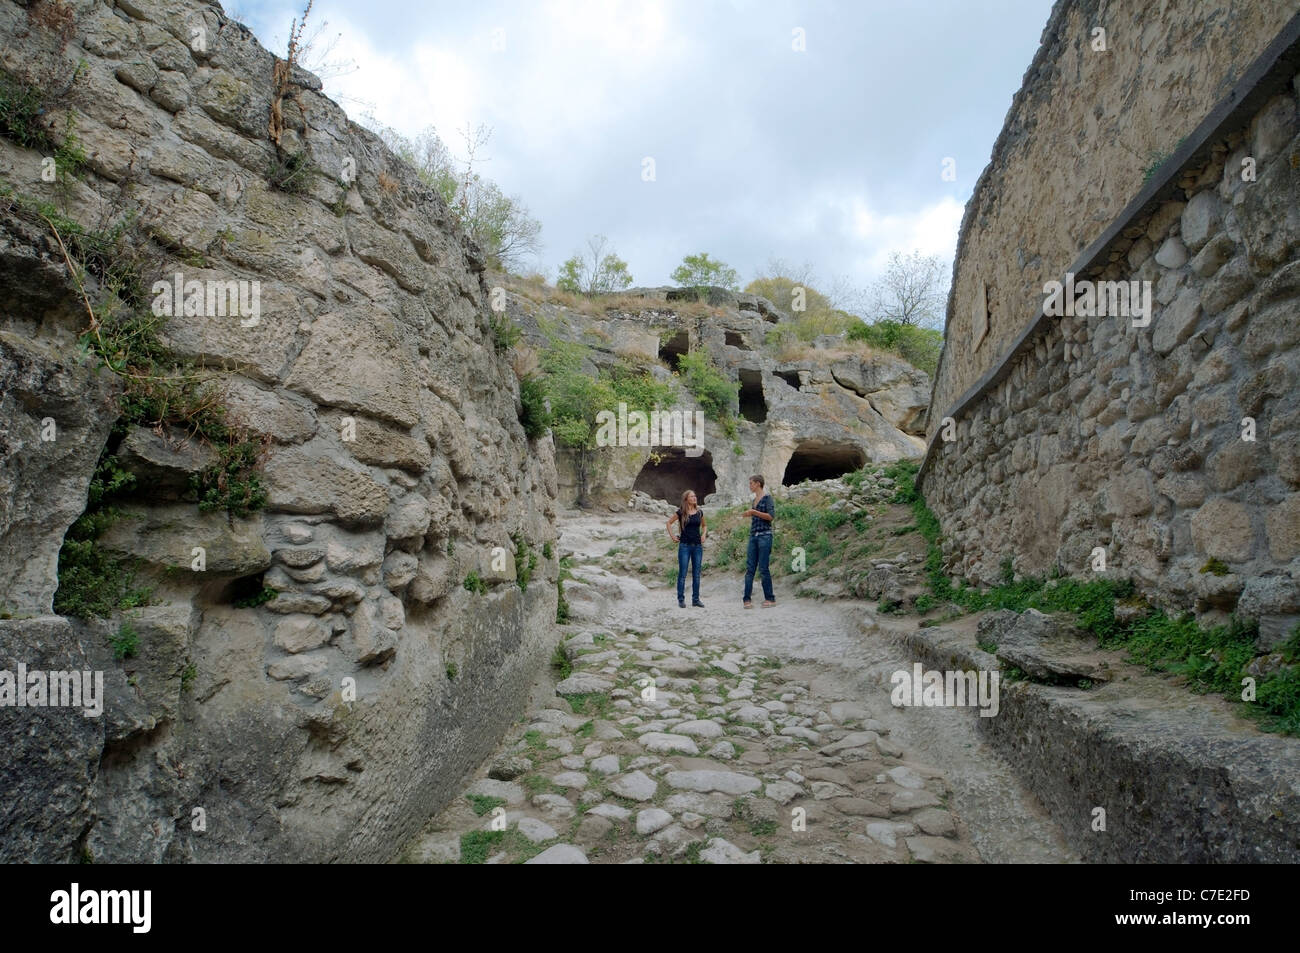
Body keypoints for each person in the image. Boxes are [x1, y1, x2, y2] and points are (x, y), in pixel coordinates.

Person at [667, 489, 706, 608]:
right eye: (691, 496)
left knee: (697, 574)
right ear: (686, 499)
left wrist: (704, 534)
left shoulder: (699, 512)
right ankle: (681, 599)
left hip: (697, 546)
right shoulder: (681, 512)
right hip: (684, 546)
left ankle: (695, 599)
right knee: (683, 574)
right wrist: (673, 536)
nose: (694, 498)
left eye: (695, 496)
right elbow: (668, 523)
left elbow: (704, 525)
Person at [742, 474, 775, 608]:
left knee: (763, 568)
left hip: (765, 536)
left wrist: (754, 512)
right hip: (754, 536)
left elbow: (771, 516)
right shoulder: (754, 500)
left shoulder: (767, 498)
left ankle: (770, 598)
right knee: (750, 569)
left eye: (751, 483)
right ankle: (746, 600)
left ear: (758, 484)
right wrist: (751, 513)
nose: (749, 486)